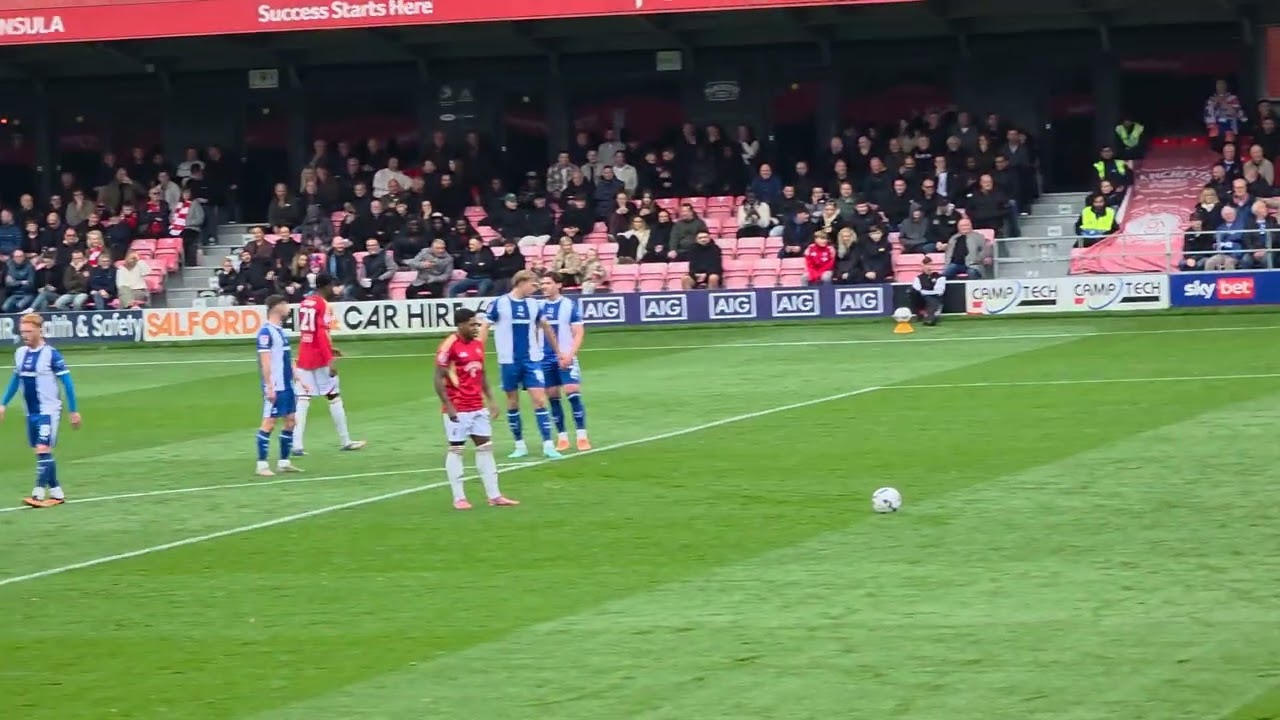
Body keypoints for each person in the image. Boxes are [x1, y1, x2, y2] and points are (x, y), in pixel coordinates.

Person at [435, 307, 517, 510]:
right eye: (472, 324)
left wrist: (491, 399)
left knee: (485, 448)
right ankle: (459, 498)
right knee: (456, 450)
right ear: (460, 325)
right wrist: (448, 405)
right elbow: (438, 377)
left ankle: (494, 495)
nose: (475, 328)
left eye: (477, 324)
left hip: (477, 406)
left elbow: (482, 373)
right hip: (458, 406)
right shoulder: (449, 346)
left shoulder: (477, 345)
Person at [480, 270, 566, 460]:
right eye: (533, 284)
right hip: (508, 361)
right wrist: (478, 350)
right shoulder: (500, 303)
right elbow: (485, 326)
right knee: (512, 401)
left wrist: (558, 352)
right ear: (521, 282)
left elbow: (546, 328)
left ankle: (548, 445)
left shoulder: (534, 305)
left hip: (532, 360)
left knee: (540, 399)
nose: (536, 288)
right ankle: (520, 444)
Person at [0, 313, 81, 507]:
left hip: (49, 411)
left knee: (43, 449)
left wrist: (74, 411)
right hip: (31, 412)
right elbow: (15, 380)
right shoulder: (20, 353)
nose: (25, 335)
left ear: (39, 330)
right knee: (42, 452)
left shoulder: (51, 354)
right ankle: (57, 492)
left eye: (28, 331)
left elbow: (67, 383)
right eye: (22, 332)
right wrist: (3, 403)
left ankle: (37, 493)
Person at [292, 275, 366, 457]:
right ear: (327, 286)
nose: (335, 290)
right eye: (333, 286)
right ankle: (345, 440)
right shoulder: (324, 305)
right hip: (319, 357)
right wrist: (330, 358)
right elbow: (322, 334)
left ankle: (297, 445)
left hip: (304, 354)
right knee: (333, 396)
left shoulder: (305, 302)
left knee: (302, 399)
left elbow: (310, 331)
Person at [539, 273, 591, 452]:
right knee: (552, 396)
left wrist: (570, 355)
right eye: (542, 283)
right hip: (544, 358)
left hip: (565, 355)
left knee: (572, 391)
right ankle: (562, 437)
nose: (544, 286)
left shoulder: (569, 305)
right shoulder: (538, 306)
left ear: (558, 285)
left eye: (548, 283)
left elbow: (579, 332)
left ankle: (582, 435)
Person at [254, 296, 302, 477]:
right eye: (286, 304)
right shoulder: (266, 332)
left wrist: (297, 376)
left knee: (290, 421)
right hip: (276, 386)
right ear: (277, 307)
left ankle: (284, 462)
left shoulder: (280, 331)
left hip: (287, 385)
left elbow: (285, 359)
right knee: (269, 423)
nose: (289, 308)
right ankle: (261, 465)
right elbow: (265, 362)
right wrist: (269, 387)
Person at [909, 255, 946, 326]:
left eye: (930, 265)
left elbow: (939, 292)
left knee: (932, 299)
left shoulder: (940, 277)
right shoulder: (918, 278)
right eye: (926, 265)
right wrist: (925, 292)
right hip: (923, 300)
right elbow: (917, 289)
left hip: (935, 299)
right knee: (912, 291)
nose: (928, 267)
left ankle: (930, 318)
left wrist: (925, 292)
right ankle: (920, 313)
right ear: (922, 267)